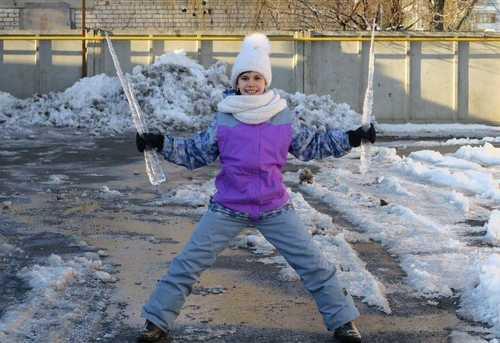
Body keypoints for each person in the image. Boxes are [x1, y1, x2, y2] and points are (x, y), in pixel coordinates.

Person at [135, 33, 375, 343]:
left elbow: (311, 145)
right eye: (245, 77)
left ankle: (343, 323)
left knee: (314, 264)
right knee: (188, 263)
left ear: (266, 81)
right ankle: (156, 322)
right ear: (237, 82)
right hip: (228, 207)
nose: (251, 83)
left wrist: (353, 137)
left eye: (257, 77)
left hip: (274, 207)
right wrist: (160, 143)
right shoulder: (225, 116)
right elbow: (197, 152)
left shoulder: (283, 115)